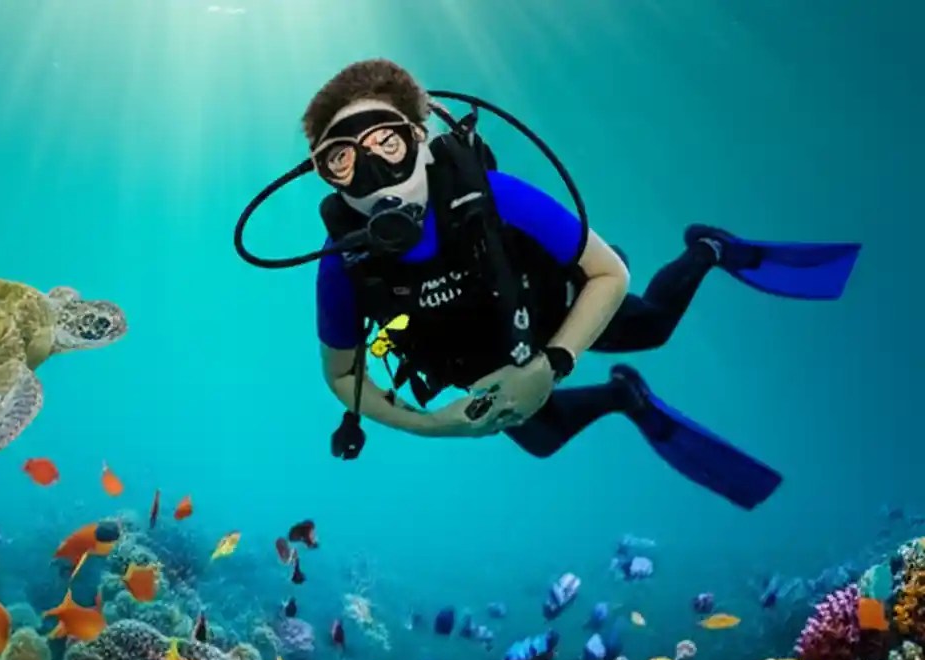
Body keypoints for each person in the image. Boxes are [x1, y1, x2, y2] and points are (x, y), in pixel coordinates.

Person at [232, 59, 861, 510]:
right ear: (324, 175)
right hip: (484, 366)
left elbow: (608, 271)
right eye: (341, 159)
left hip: (557, 311)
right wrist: (431, 424)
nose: (369, 172)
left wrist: (555, 361)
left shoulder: (492, 196)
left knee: (652, 328)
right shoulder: (345, 261)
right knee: (541, 438)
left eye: (387, 143)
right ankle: (625, 398)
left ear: (422, 144)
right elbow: (341, 375)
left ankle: (707, 248)